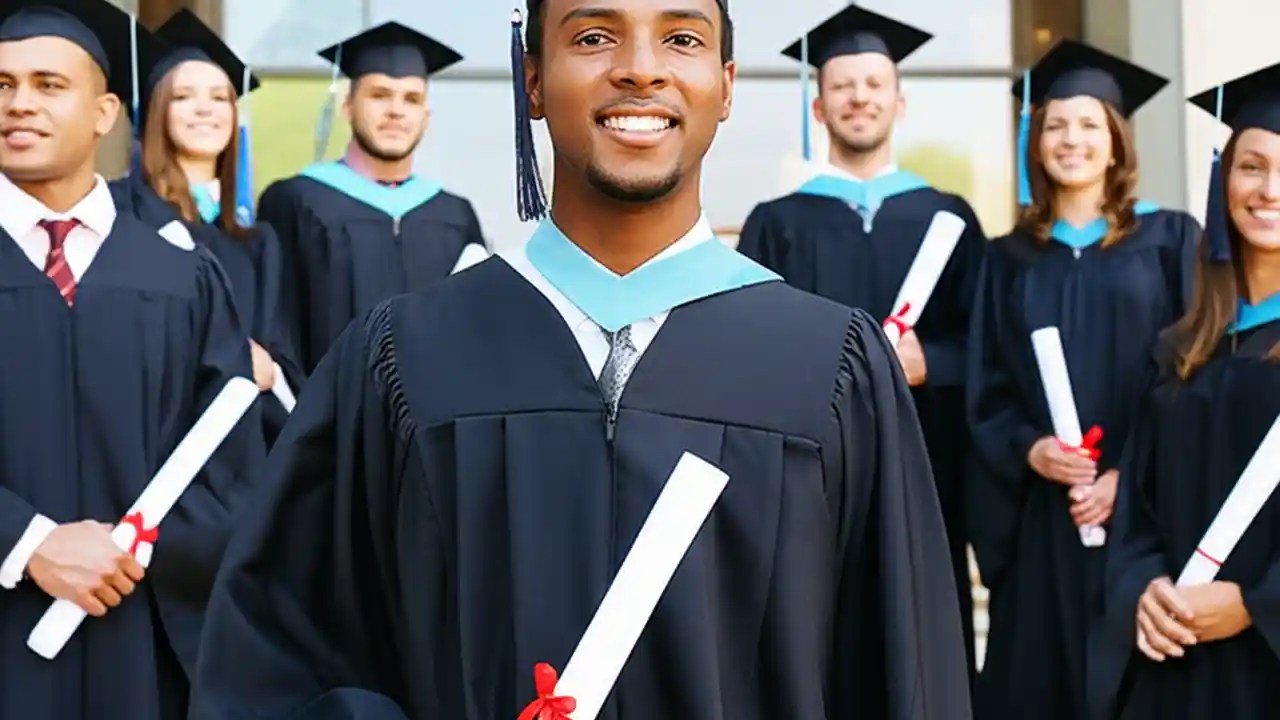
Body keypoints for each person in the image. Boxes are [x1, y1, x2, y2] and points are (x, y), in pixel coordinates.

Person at [189, 0, 972, 718]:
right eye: (593, 37)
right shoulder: (404, 358)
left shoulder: (828, 364)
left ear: (726, 86)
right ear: (531, 79)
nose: (640, 66)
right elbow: (279, 653)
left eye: (683, 38)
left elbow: (907, 675)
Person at [0, 2, 262, 719]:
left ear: (106, 111)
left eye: (48, 84)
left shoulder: (183, 277)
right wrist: (28, 543)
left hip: (140, 647)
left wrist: (134, 553)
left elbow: (232, 466)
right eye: (2, 84)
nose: (19, 102)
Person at [736, 4, 987, 673]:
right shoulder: (778, 222)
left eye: (874, 84)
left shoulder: (947, 217)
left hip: (928, 465)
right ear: (818, 108)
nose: (860, 98)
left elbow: (988, 342)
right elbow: (753, 349)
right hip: (815, 472)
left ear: (899, 103)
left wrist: (931, 360)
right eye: (843, 86)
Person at [964, 39, 1200, 720]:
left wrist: (1131, 474)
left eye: (1089, 124)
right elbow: (987, 390)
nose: (1072, 140)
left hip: (1145, 516)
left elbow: (1192, 372)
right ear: (1035, 143)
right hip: (1046, 519)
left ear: (1117, 142)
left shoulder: (1168, 239)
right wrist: (1029, 450)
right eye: (1056, 125)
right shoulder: (1005, 259)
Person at [1089, 61, 1280, 720]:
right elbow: (1138, 512)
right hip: (1177, 667)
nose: (1269, 189)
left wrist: (1256, 604)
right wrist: (1143, 588)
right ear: (1223, 178)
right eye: (1251, 166)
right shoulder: (1180, 350)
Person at [110, 8, 301, 445]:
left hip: (239, 449)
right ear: (154, 111)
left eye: (219, 98)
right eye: (183, 97)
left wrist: (270, 369)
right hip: (147, 441)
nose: (205, 110)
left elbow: (280, 359)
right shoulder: (120, 213)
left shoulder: (258, 240)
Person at [256, 21, 487, 375]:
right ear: (348, 106)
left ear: (425, 118)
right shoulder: (295, 202)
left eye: (411, 99)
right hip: (327, 422)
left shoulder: (454, 216)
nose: (396, 110)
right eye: (379, 95)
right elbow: (276, 330)